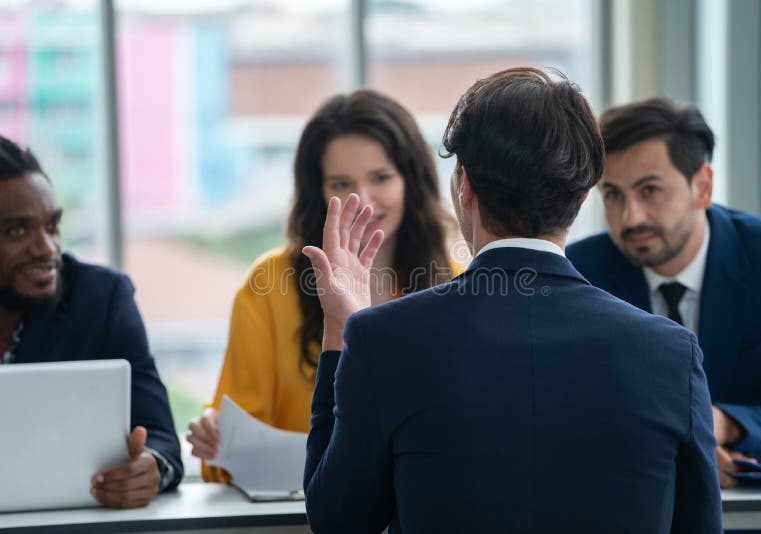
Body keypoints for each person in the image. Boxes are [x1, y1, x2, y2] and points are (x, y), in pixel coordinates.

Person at [301, 68, 722, 532]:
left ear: (465, 190)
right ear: (582, 198)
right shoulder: (672, 353)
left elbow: (336, 521)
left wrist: (340, 328)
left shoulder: (383, 339)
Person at [187, 90, 461, 481]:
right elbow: (233, 446)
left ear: (411, 181)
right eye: (341, 184)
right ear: (317, 192)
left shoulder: (456, 281)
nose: (362, 201)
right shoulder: (269, 284)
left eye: (381, 177)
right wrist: (217, 438)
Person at [566, 97, 761, 488]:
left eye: (649, 190)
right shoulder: (580, 272)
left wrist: (724, 424)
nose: (630, 217)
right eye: (613, 195)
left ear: (702, 187)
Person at [0, 135, 183, 509]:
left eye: (52, 226)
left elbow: (162, 438)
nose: (47, 248)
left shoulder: (100, 298)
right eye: (17, 231)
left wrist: (149, 467)